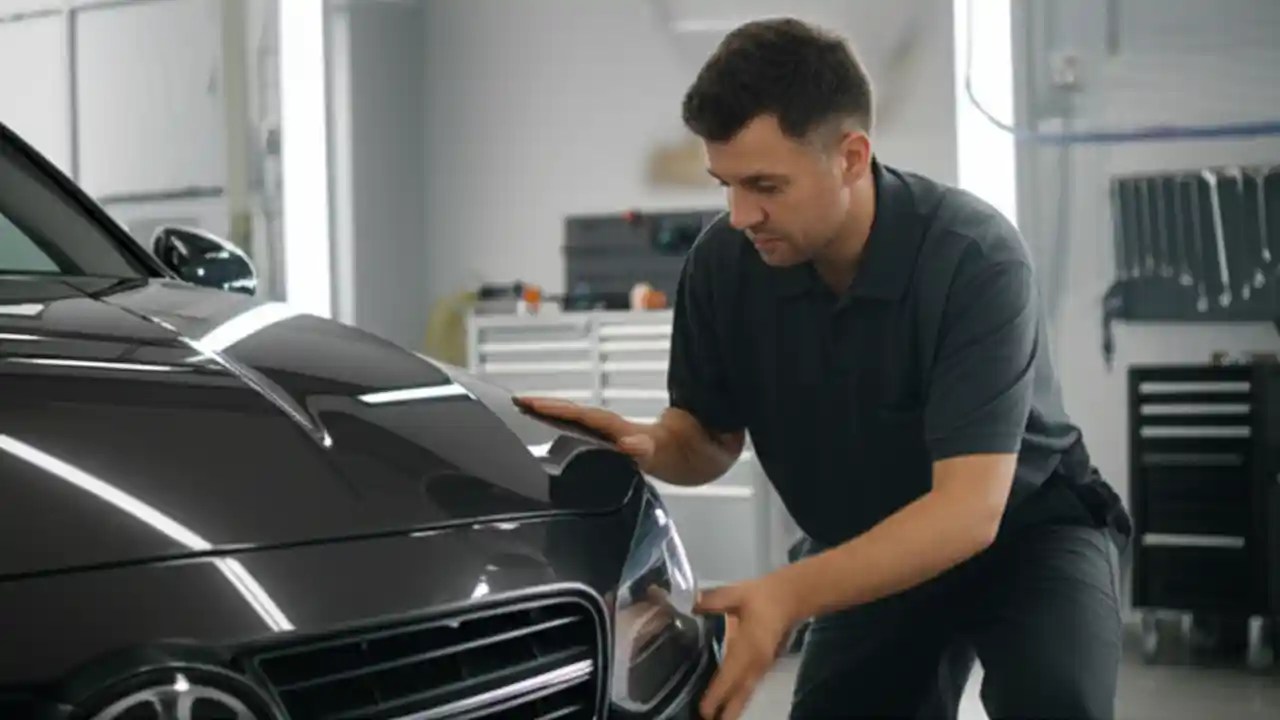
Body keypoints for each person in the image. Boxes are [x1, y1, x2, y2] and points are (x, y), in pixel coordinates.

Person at [516, 16, 1131, 720]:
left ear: (850, 156)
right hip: (867, 545)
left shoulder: (973, 257)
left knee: (1060, 701)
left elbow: (968, 512)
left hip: (1027, 537)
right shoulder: (723, 265)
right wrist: (650, 444)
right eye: (726, 184)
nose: (742, 214)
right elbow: (710, 438)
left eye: (765, 185)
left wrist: (788, 592)